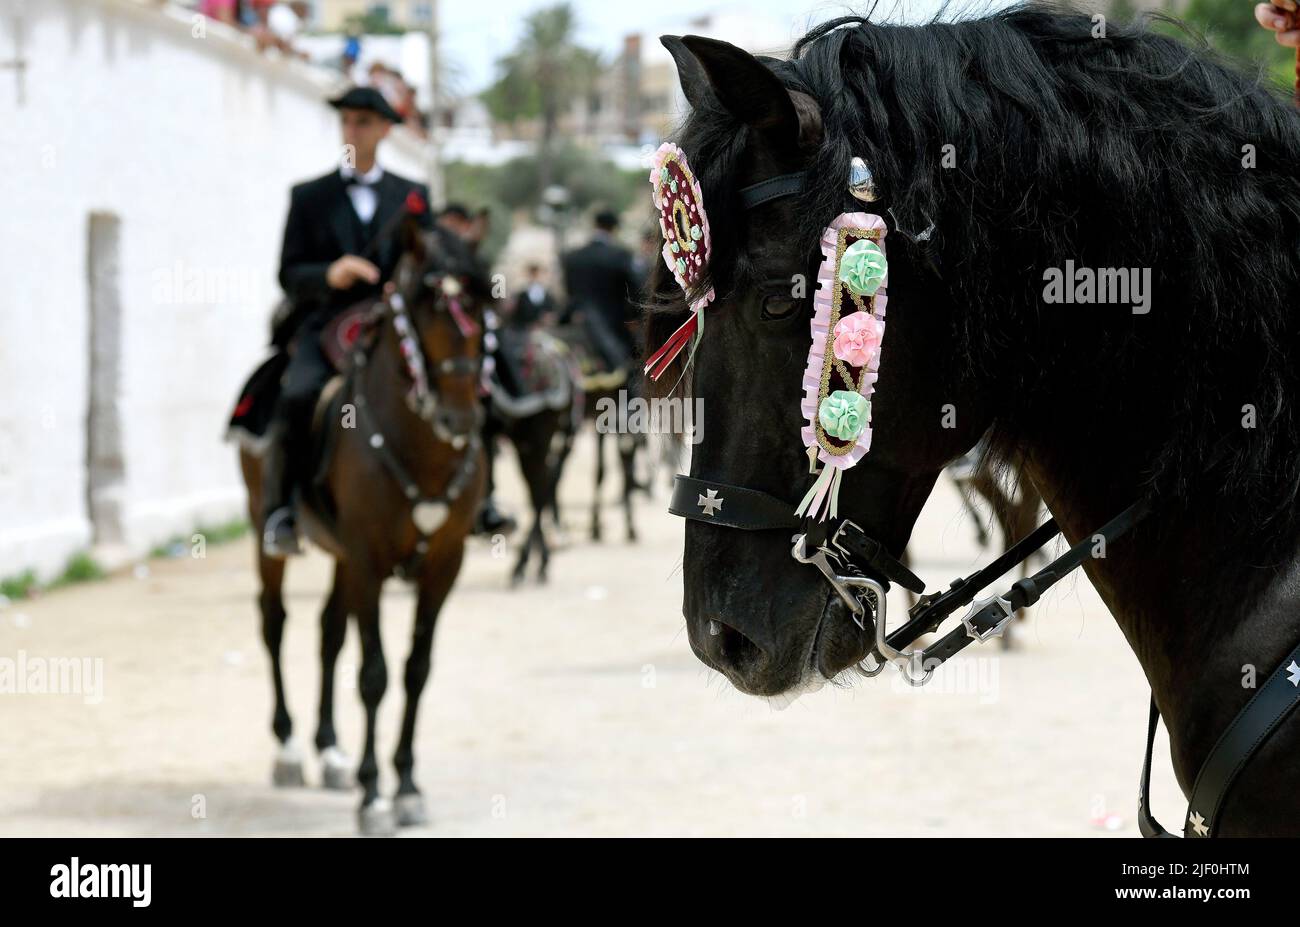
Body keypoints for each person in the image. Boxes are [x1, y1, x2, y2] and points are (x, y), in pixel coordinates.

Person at [261, 86, 432, 557]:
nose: (352, 130)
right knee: (296, 395)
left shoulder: (414, 196)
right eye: (346, 122)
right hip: (326, 325)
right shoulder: (309, 196)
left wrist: (405, 287)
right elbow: (288, 273)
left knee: (457, 381)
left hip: (391, 326)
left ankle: (475, 502)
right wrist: (329, 273)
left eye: (362, 122)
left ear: (385, 129)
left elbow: (427, 263)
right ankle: (283, 511)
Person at [560, 210, 644, 373]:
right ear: (614, 229)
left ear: (595, 226)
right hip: (615, 327)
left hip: (582, 326)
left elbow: (570, 293)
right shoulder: (620, 255)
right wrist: (635, 319)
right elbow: (635, 292)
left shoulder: (574, 257)